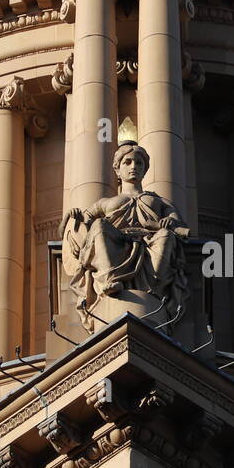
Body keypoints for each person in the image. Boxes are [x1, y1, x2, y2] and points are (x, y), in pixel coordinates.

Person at [61, 140, 189, 330]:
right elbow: (83, 224)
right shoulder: (106, 202)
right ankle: (109, 279)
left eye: (139, 163)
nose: (133, 167)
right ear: (117, 170)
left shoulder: (159, 201)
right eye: (127, 162)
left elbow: (180, 227)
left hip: (150, 244)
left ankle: (157, 289)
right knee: (99, 225)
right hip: (116, 245)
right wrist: (76, 219)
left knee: (165, 236)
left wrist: (170, 223)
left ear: (145, 169)